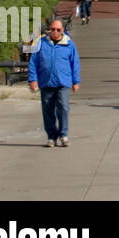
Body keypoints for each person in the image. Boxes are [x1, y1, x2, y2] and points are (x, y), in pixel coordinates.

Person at [27, 19, 80, 147]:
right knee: (47, 110)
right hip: (46, 82)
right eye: (53, 29)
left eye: (58, 30)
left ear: (62, 31)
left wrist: (75, 81)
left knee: (63, 108)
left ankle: (63, 134)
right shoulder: (40, 43)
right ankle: (51, 136)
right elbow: (33, 62)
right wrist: (33, 79)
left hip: (63, 82)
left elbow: (75, 63)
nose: (55, 32)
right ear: (49, 30)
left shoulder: (69, 44)